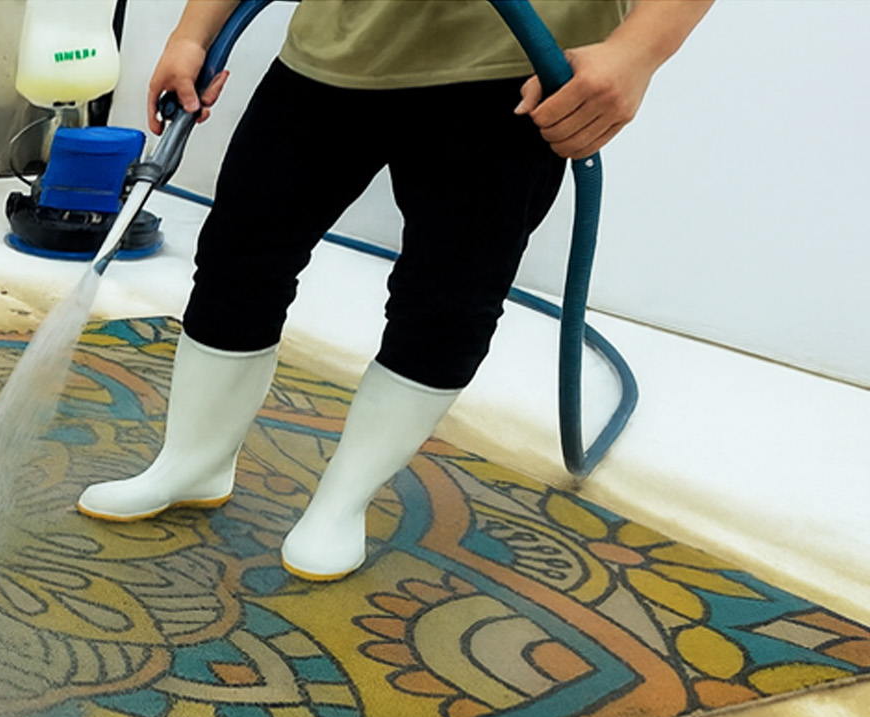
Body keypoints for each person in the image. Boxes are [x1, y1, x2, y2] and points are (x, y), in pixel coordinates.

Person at [77, 0, 712, 580]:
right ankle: (193, 462)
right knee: (240, 254)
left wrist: (637, 51)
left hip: (514, 69)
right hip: (337, 47)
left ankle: (343, 503)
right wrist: (192, 34)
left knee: (448, 301)